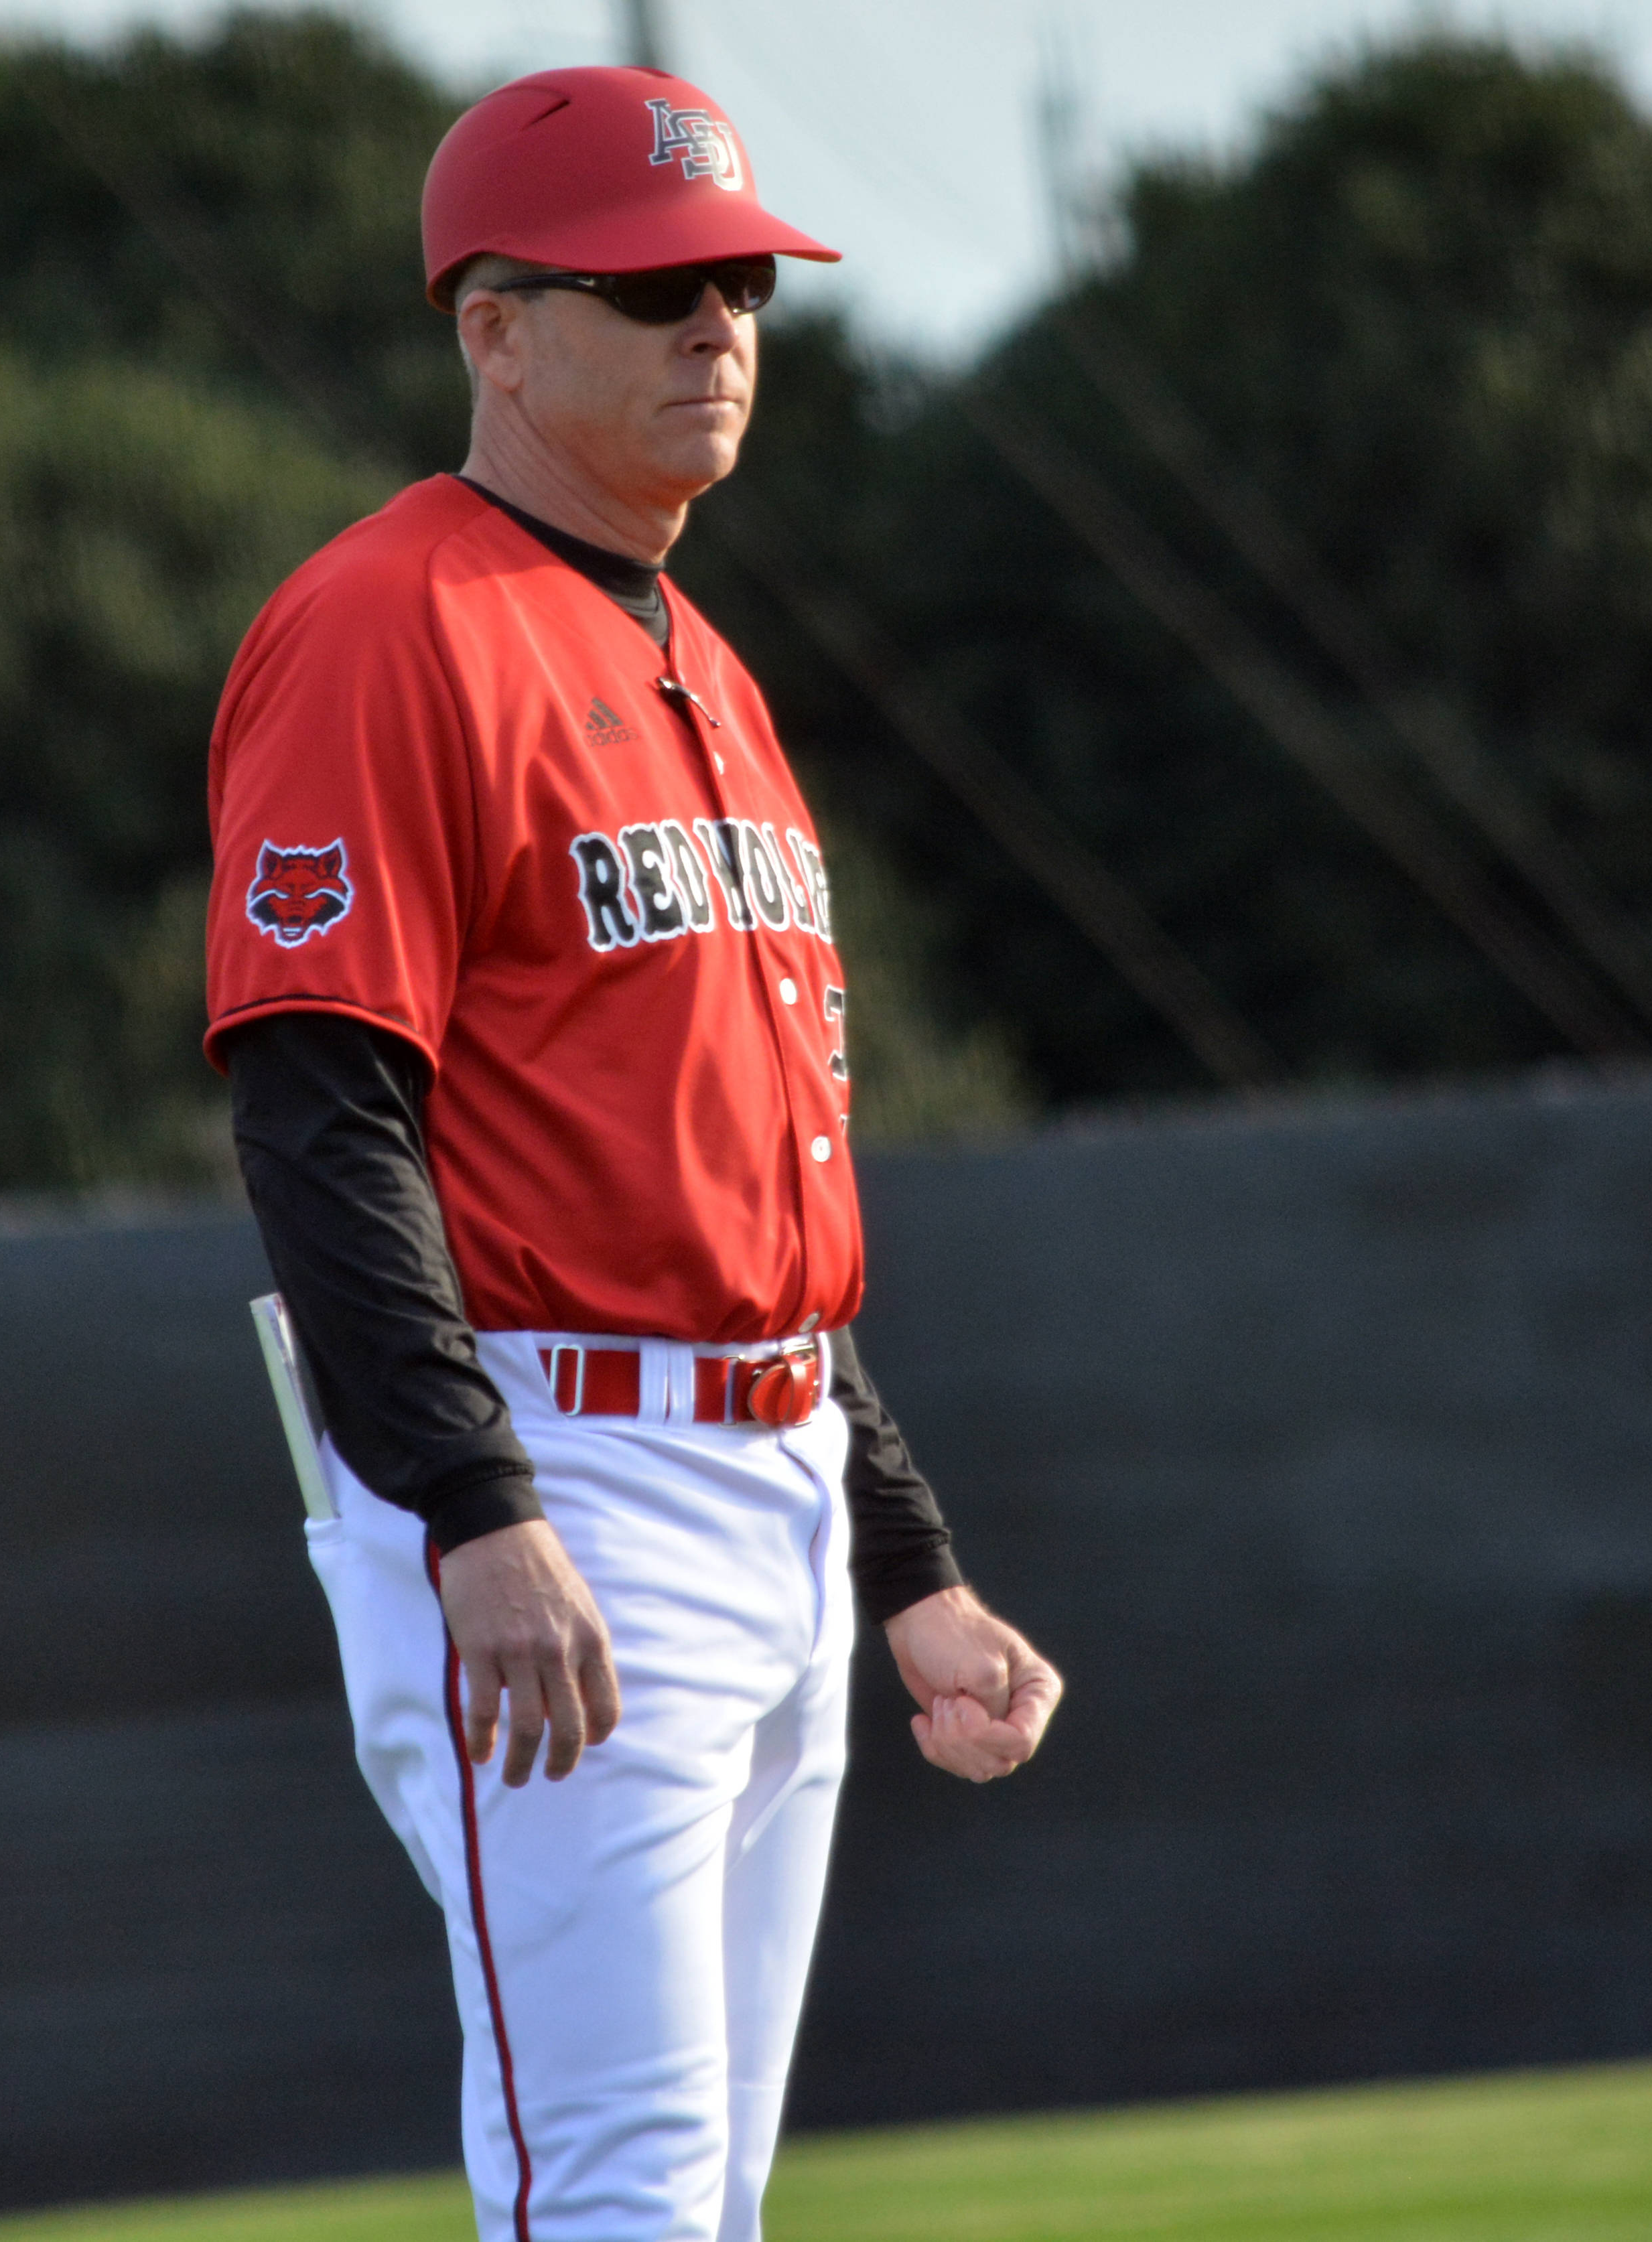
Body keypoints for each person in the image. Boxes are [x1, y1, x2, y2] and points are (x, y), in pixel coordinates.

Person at [204, 64, 1062, 2242]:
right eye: (659, 285)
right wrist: (473, 1503)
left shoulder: (710, 664)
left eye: (745, 283)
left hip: (765, 1479)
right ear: (494, 330)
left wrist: (908, 1556)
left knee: (698, 2191)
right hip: (559, 1480)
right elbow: (319, 1108)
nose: (720, 329)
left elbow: (745, 1186)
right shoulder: (388, 622)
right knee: (618, 2188)